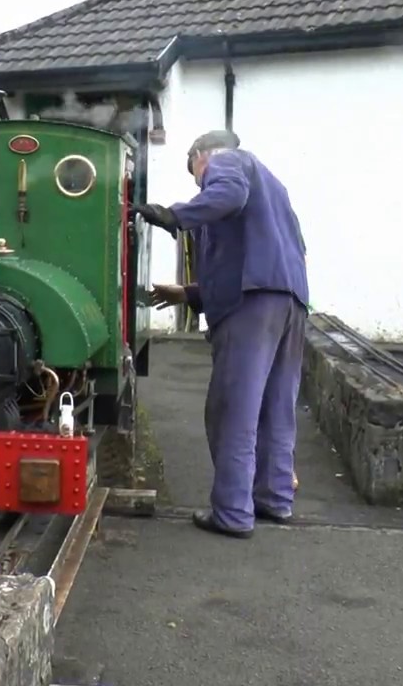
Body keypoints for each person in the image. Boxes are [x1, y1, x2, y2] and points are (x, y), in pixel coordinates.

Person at [135, 130, 309, 540]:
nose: (200, 181)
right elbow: (263, 249)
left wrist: (175, 215)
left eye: (196, 172)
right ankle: (274, 498)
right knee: (276, 405)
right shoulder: (275, 188)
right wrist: (188, 294)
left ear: (199, 156)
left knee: (234, 408)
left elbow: (226, 194)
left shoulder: (228, 162)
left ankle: (232, 511)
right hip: (290, 302)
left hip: (250, 305)